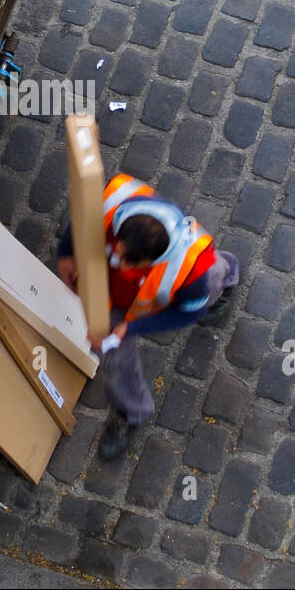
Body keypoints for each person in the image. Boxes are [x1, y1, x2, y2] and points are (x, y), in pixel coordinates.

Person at [56, 172, 240, 460]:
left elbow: (186, 315)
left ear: (159, 258)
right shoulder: (111, 199)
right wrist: (67, 253)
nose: (124, 266)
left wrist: (131, 327)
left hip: (156, 296)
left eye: (134, 263)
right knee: (116, 357)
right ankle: (132, 410)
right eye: (121, 253)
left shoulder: (187, 272)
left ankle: (225, 273)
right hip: (120, 294)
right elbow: (81, 222)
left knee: (206, 285)